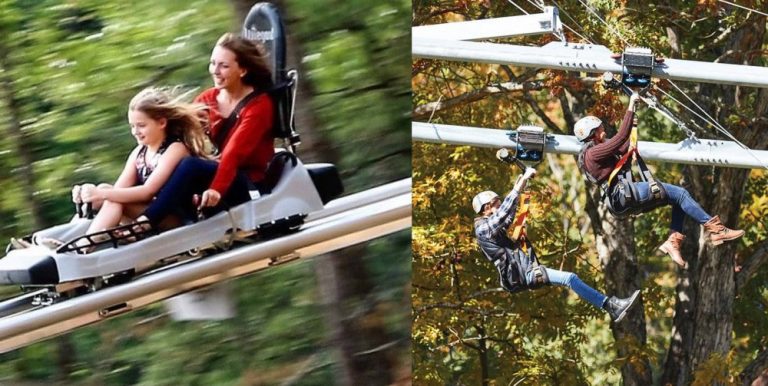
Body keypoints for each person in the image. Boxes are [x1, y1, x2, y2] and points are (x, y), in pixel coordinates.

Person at [574, 93, 744, 268]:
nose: (604, 130)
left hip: (621, 201)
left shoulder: (593, 154)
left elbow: (625, 147)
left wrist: (634, 124)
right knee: (681, 193)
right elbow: (620, 138)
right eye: (601, 128)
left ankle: (673, 242)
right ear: (592, 133)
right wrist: (631, 104)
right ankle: (717, 230)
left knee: (677, 199)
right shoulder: (593, 153)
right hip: (624, 194)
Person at [135, 33, 275, 228]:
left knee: (191, 165)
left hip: (247, 183)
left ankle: (146, 222)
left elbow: (233, 154)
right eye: (212, 63)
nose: (215, 71)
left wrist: (215, 189)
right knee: (179, 157)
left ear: (242, 70)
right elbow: (183, 134)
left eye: (223, 66)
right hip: (221, 173)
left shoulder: (259, 106)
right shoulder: (208, 99)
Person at [473, 167, 640, 322]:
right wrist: (516, 190)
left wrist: (521, 188)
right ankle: (611, 306)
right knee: (570, 278)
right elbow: (502, 215)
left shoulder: (491, 227)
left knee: (570, 278)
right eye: (497, 203)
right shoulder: (482, 229)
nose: (500, 205)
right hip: (523, 275)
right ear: (487, 207)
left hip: (525, 272)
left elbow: (507, 216)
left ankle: (611, 306)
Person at [58, 87, 209, 250]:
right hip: (142, 214)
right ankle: (67, 238)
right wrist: (88, 194)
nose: (135, 132)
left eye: (141, 126)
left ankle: (82, 248)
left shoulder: (176, 149)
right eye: (132, 126)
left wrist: (101, 194)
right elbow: (118, 190)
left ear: (161, 123)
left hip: (170, 218)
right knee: (105, 192)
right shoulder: (139, 153)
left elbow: (148, 191)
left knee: (108, 195)